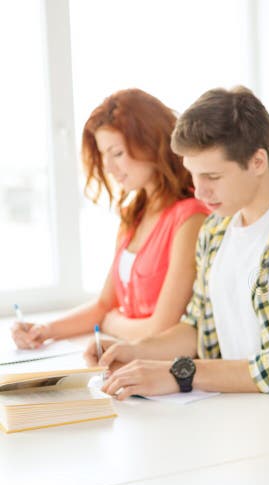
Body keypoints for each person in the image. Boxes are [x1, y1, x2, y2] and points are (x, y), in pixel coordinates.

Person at [88, 86, 269, 397]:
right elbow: (198, 328)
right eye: (193, 175)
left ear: (258, 161)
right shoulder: (216, 230)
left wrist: (181, 373)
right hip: (238, 411)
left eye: (213, 177)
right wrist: (136, 350)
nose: (200, 192)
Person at [11, 89, 209, 348]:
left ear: (152, 143)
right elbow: (105, 304)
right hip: (128, 357)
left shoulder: (190, 217)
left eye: (117, 153)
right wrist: (45, 330)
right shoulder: (134, 214)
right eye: (104, 155)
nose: (109, 167)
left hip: (162, 368)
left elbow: (161, 328)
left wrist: (111, 323)